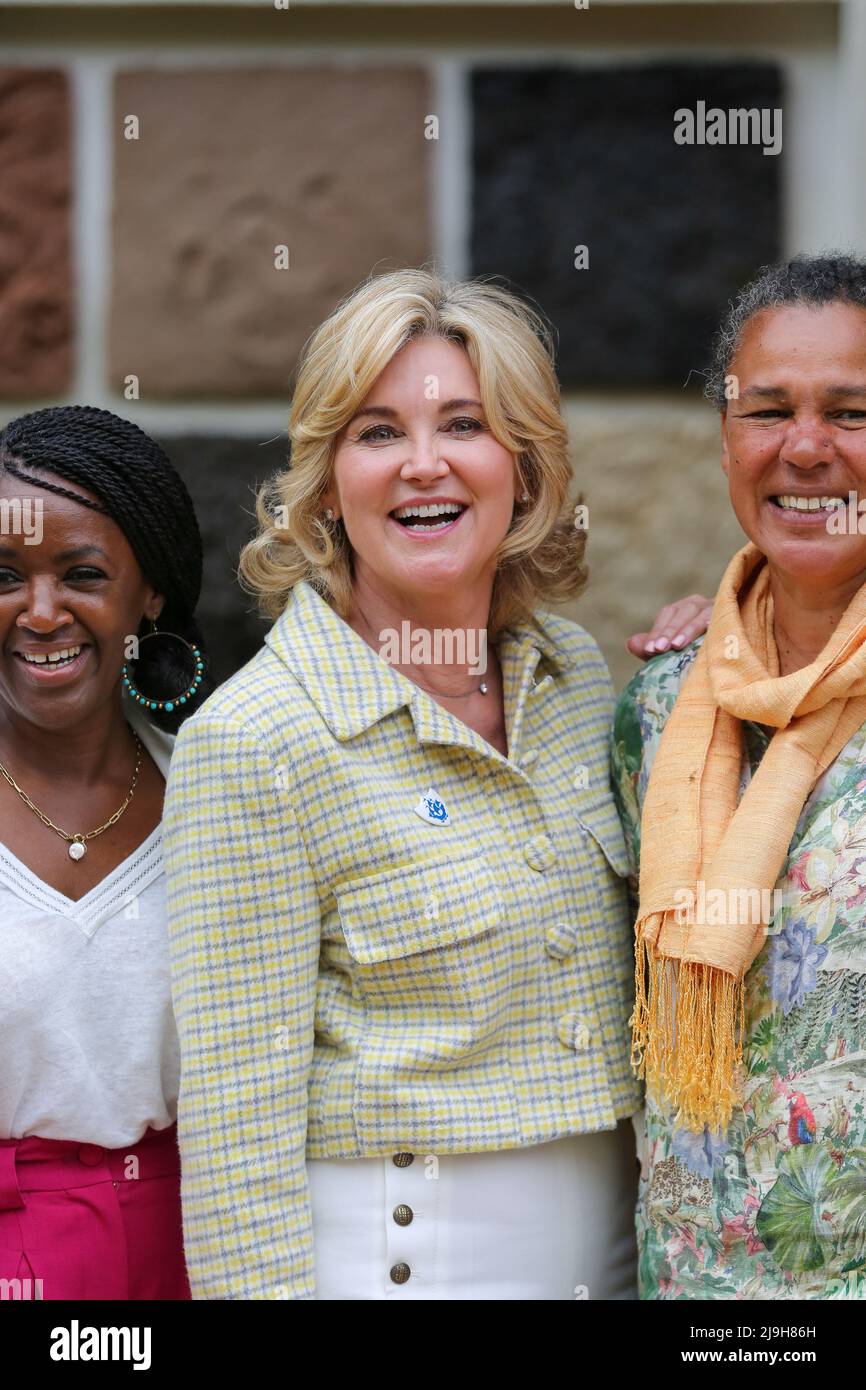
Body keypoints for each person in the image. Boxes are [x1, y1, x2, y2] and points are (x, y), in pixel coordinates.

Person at [162, 266, 710, 1301]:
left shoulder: (572, 676)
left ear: (523, 466)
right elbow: (236, 1129)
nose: (423, 466)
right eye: (375, 433)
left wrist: (720, 662)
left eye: (462, 424)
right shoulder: (254, 740)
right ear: (324, 482)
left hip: (617, 1266)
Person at [612, 253, 866, 1300]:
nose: (803, 448)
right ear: (724, 439)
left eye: (849, 412)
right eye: (766, 409)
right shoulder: (659, 709)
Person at [0, 405, 212, 1300]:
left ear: (149, 594)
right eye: (5, 575)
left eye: (82, 574)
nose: (42, 613)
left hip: (198, 1248)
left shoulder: (216, 798)